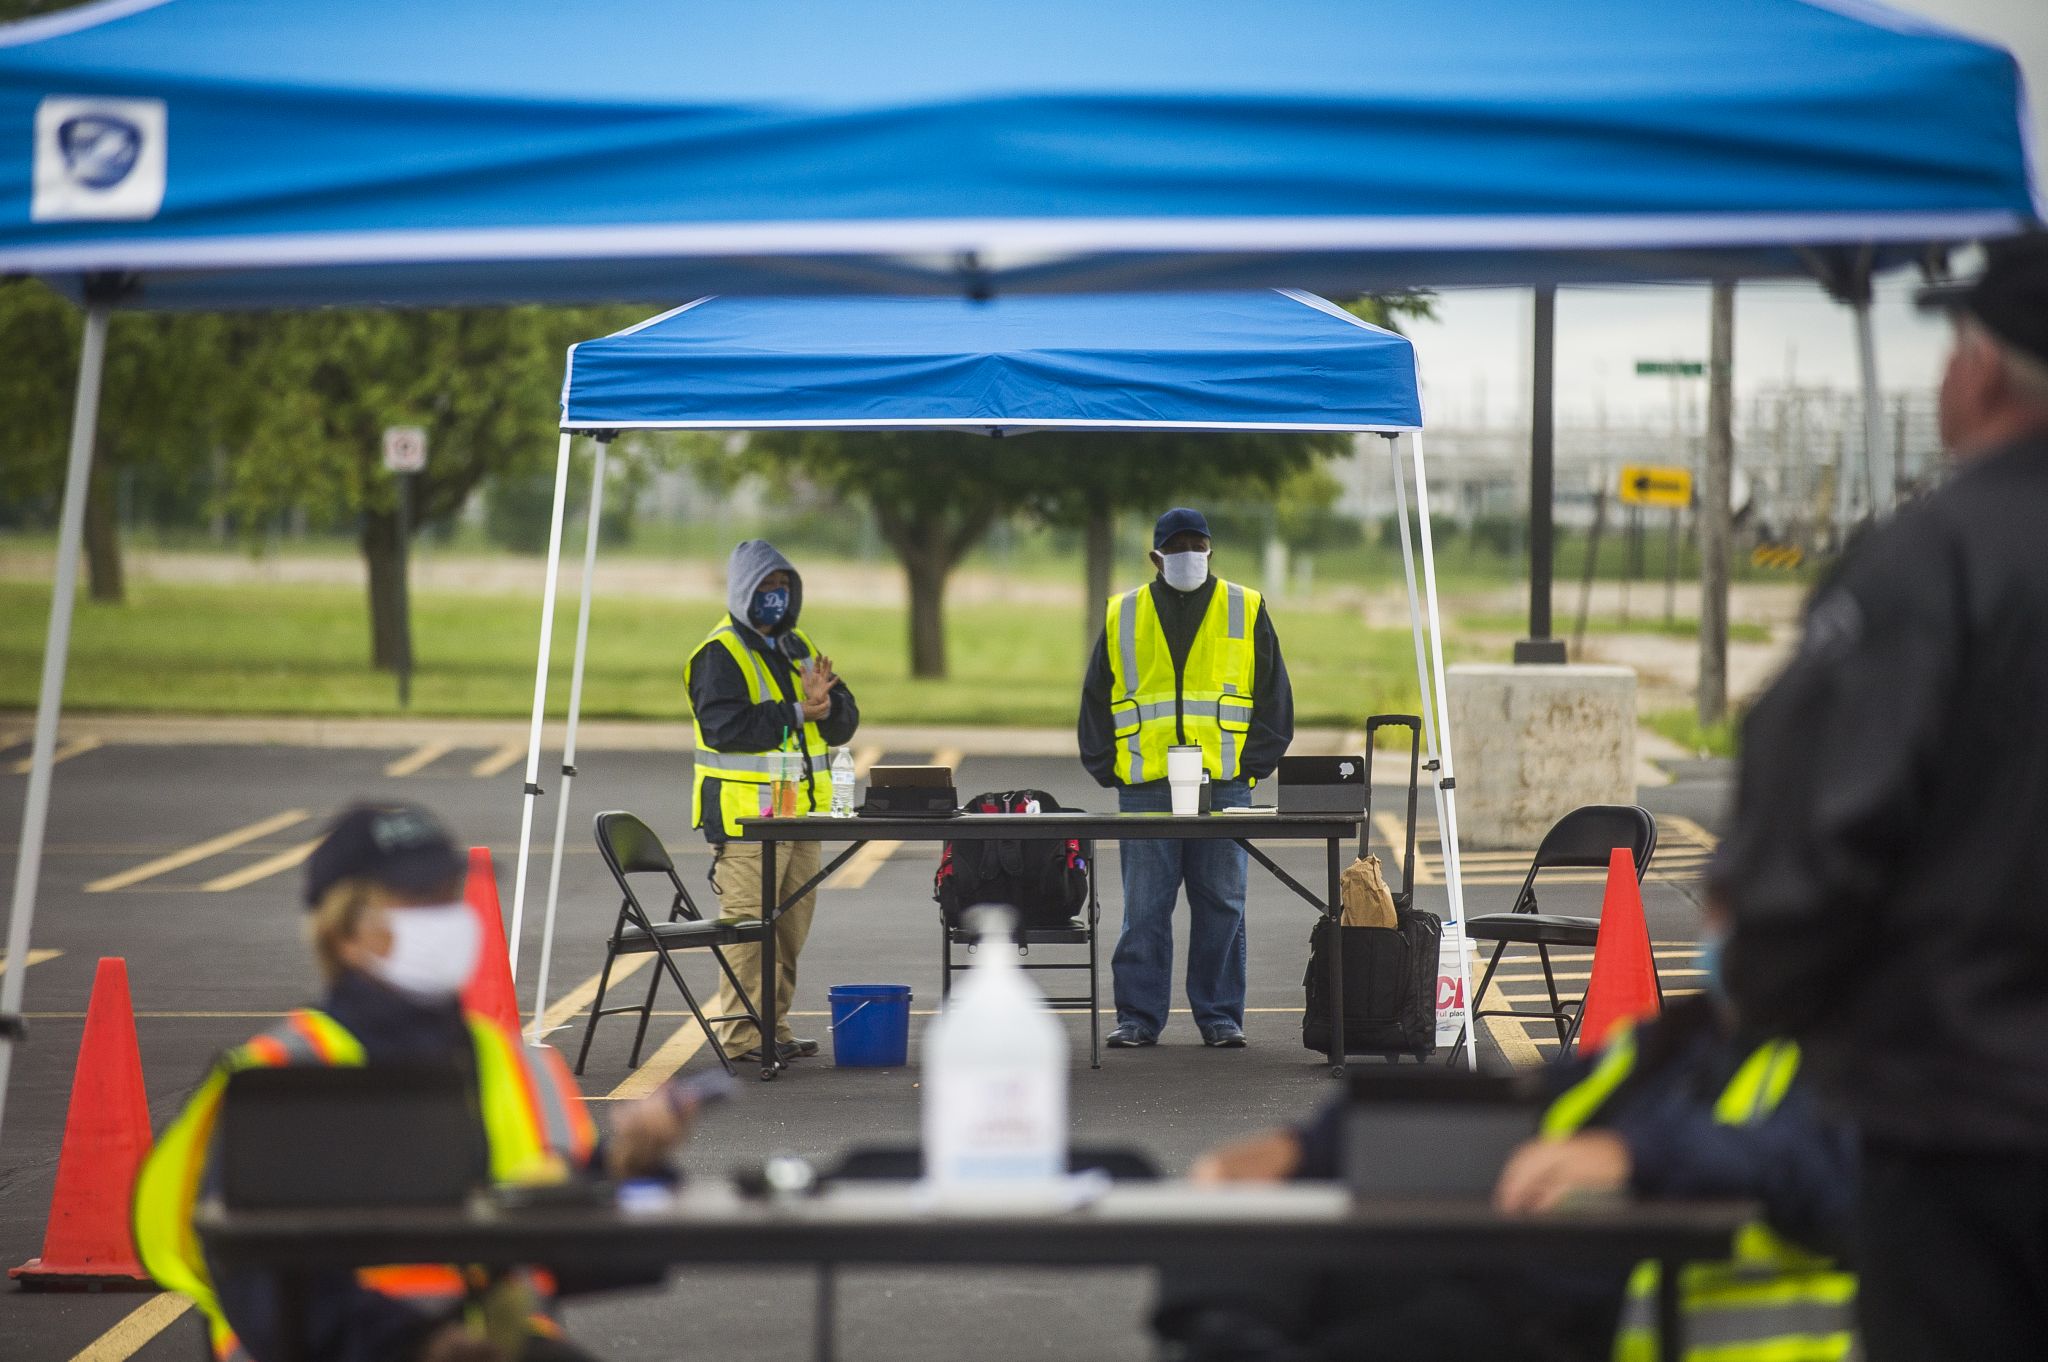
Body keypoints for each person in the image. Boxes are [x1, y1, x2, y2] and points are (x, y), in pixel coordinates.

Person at [1717, 232, 2048, 1362]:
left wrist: (1759, 1004)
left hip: (1962, 1133)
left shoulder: (1932, 563)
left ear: (1983, 369)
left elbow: (1810, 836)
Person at [133, 802, 700, 1362]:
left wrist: (630, 1171)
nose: (446, 918)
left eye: (449, 898)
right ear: (345, 931)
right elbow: (261, 1290)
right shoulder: (284, 1076)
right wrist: (415, 1344)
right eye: (416, 901)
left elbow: (567, 1254)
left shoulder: (516, 1067)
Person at [1177, 921, 1858, 1362]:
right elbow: (1509, 1102)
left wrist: (1633, 1154)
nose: (1718, 928)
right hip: (1515, 1281)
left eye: (1736, 906)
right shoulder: (1680, 1041)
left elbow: (1810, 1163)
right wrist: (1307, 1146)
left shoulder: (1865, 1061)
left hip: (1592, 1323)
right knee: (1247, 1256)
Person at [1079, 508, 1294, 1049]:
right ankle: (1138, 1019)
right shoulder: (1123, 613)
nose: (1186, 556)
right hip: (1148, 782)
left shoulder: (1244, 608)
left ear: (1210, 552)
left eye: (1195, 546)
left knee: (1223, 903)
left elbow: (1274, 694)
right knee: (1145, 907)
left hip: (1223, 783)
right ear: (1156, 557)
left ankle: (1221, 1017)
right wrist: (1108, 767)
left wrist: (1252, 766)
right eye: (1176, 549)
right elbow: (1095, 697)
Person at [687, 539, 859, 1064]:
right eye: (766, 588)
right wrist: (796, 713)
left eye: (783, 587)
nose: (776, 598)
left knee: (787, 929)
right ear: (744, 591)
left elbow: (845, 718)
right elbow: (724, 727)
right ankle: (743, 1035)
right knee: (748, 925)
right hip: (747, 819)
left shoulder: (797, 644)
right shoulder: (719, 653)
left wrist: (826, 707)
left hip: (800, 813)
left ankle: (774, 1026)